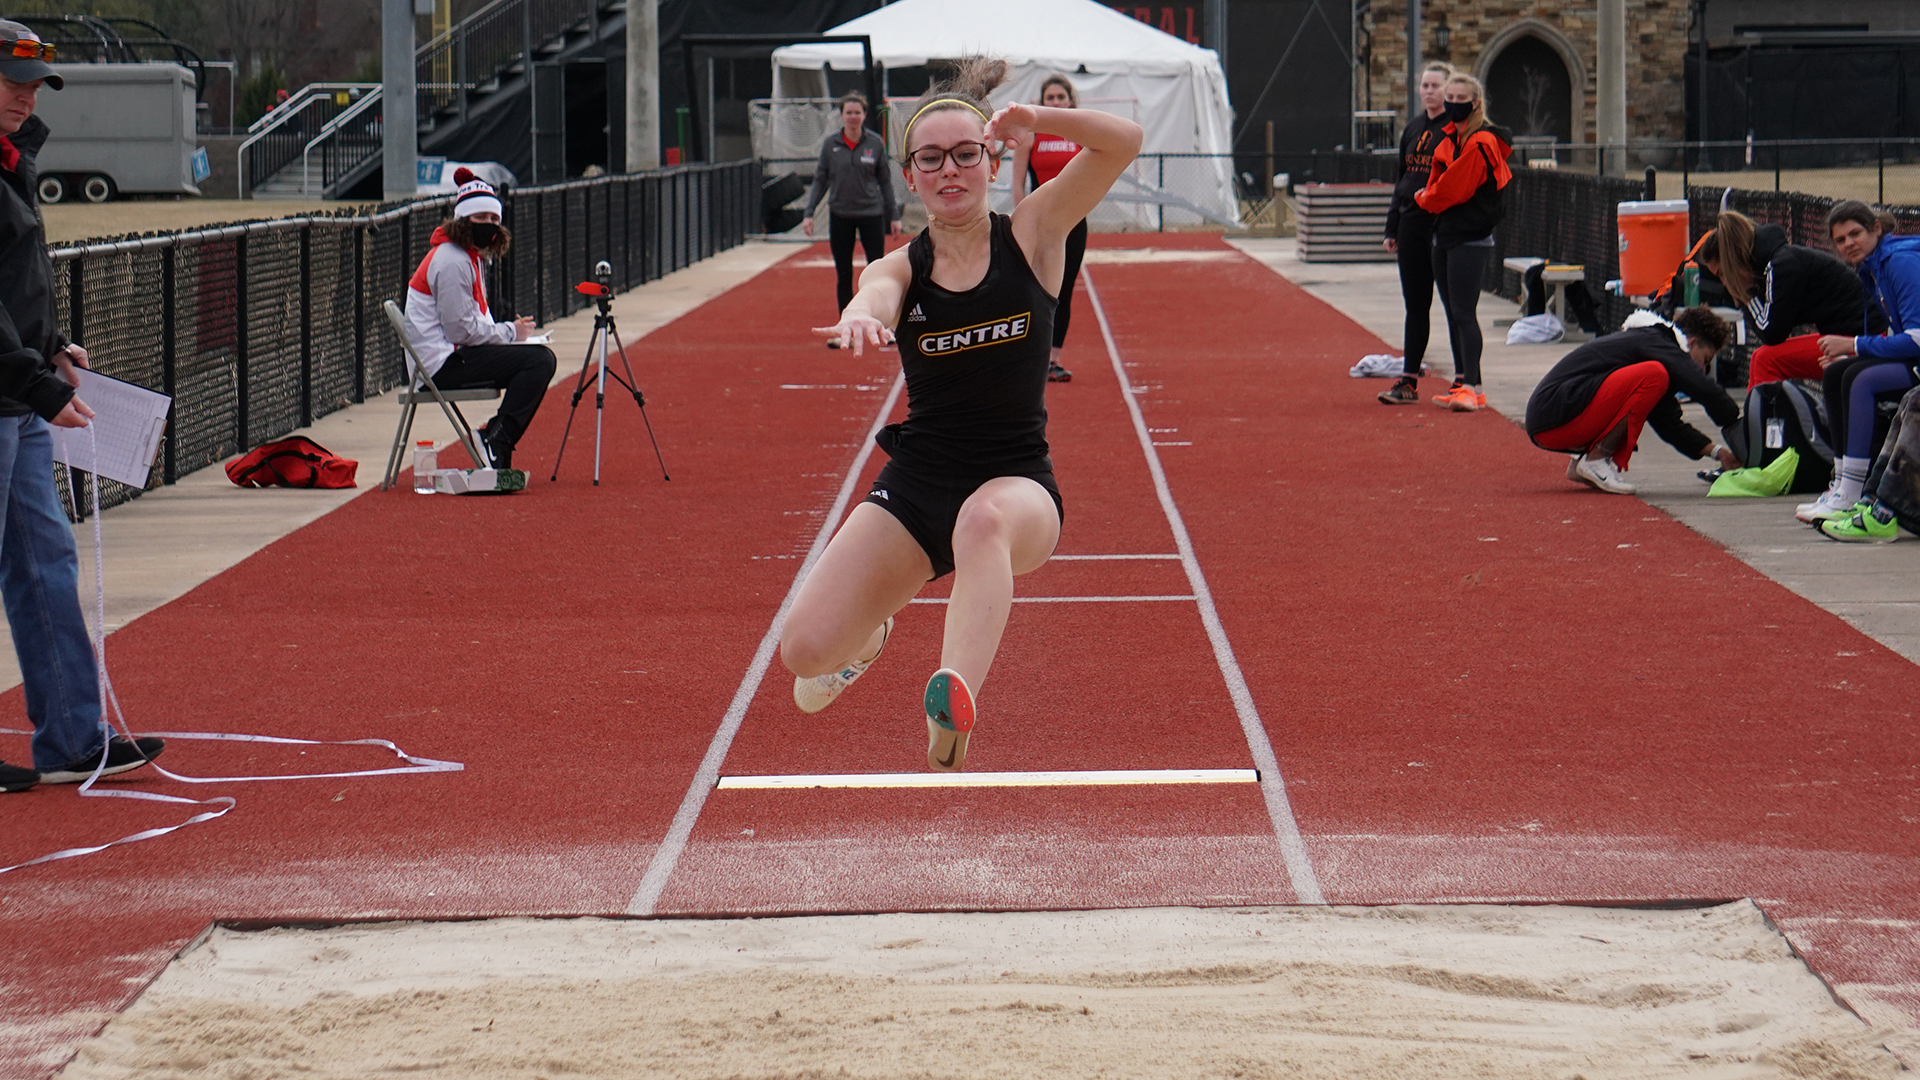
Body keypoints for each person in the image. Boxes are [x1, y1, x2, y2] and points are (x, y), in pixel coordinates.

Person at [781, 58, 1141, 772]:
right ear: (909, 176)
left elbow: (1123, 140)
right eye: (933, 159)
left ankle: (953, 702)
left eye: (967, 154)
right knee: (804, 652)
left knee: (983, 521)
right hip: (918, 484)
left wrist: (1042, 121)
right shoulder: (903, 267)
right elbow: (873, 293)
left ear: (990, 158)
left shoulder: (1034, 233)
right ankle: (867, 638)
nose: (952, 171)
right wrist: (859, 315)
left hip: (1016, 487)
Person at [0, 20, 164, 792]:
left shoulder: (11, 162)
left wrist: (53, 347)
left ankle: (71, 737)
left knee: (46, 564)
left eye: (31, 84)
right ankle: (69, 734)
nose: (25, 94)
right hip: (13, 394)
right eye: (10, 81)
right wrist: (38, 382)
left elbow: (16, 281)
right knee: (35, 564)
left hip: (18, 397)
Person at [402, 168, 555, 470]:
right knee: (539, 361)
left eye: (494, 219)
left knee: (536, 359)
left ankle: (495, 437)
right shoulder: (452, 260)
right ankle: (495, 438)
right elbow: (460, 331)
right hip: (440, 366)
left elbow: (470, 326)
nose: (489, 225)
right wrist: (512, 333)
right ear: (462, 220)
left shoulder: (466, 256)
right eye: (480, 218)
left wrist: (511, 334)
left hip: (450, 357)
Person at [1525, 307, 1741, 495]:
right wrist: (1734, 421)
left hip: (1552, 420)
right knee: (1655, 374)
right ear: (1691, 343)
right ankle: (1596, 459)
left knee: (1655, 376)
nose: (1702, 369)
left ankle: (1585, 463)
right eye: (1705, 360)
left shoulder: (1650, 345)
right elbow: (1698, 382)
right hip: (1553, 413)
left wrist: (1719, 453)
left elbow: (1668, 423)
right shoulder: (1656, 341)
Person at [1799, 200, 1920, 529]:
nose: (1849, 243)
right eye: (1840, 240)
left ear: (1876, 230)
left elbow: (1917, 339)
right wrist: (1855, 352)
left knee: (1861, 380)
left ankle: (1852, 490)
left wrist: (1853, 344)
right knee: (1840, 371)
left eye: (1856, 233)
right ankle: (1841, 485)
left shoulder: (1899, 261)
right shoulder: (1874, 267)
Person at [1696, 209, 1885, 389]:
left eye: (1722, 274)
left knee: (1766, 359)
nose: (1723, 282)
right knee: (1761, 357)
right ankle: (1756, 417)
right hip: (1845, 336)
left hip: (1864, 339)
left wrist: (1746, 294)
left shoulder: (1781, 265)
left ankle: (1762, 420)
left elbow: (1772, 332)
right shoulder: (1774, 263)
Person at [1414, 73, 1512, 413]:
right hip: (1446, 232)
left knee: (1463, 312)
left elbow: (1452, 188)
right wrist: (1429, 196)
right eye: (1450, 96)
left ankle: (1471, 385)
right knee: (1454, 312)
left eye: (1460, 98)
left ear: (1475, 103)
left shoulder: (1481, 141)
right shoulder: (1451, 138)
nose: (1453, 103)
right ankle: (1465, 382)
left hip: (1469, 236)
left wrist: (1426, 198)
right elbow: (1437, 181)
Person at [1377, 61, 1453, 406]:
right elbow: (1402, 179)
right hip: (1410, 223)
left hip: (1441, 224)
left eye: (1436, 86)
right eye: (1425, 85)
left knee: (1455, 306)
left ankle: (1465, 379)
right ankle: (1408, 380)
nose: (1429, 91)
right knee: (1416, 305)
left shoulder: (1456, 130)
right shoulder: (1413, 128)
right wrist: (1391, 226)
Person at [803, 91, 901, 343]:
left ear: (864, 115)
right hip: (841, 215)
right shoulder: (830, 144)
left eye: (857, 112)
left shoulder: (875, 144)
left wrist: (894, 216)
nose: (853, 117)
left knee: (877, 273)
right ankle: (843, 329)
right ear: (842, 115)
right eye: (849, 112)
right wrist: (809, 213)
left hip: (871, 214)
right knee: (844, 274)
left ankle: (883, 328)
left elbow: (885, 183)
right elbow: (820, 181)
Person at [1009, 73, 1088, 384]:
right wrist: (1021, 219)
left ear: (1070, 101)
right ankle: (1030, 355)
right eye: (1050, 98)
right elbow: (1017, 183)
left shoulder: (1083, 134)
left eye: (1060, 97)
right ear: (1042, 102)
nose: (1055, 102)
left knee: (1063, 290)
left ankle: (1052, 360)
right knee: (1035, 289)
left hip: (1073, 222)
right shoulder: (1031, 135)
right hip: (1039, 221)